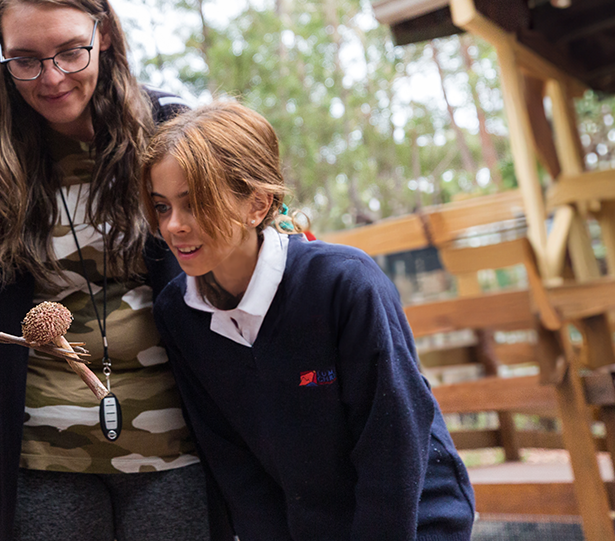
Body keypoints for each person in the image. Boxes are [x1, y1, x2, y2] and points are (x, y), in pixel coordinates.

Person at [0, 0, 211, 541]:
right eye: (26, 61)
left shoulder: (174, 130)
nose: (53, 77)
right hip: (40, 456)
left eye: (69, 51)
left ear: (103, 32)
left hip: (181, 447)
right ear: (0, 57)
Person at [140, 99, 476, 541]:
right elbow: (232, 462)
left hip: (414, 522)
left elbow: (391, 448)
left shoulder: (345, 285)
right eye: (162, 207)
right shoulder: (178, 313)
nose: (174, 226)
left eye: (194, 204)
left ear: (257, 205)